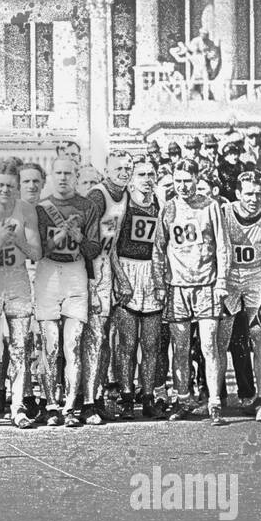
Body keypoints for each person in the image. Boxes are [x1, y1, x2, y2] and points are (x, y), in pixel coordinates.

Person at [33, 157, 104, 427]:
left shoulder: (87, 206)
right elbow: (36, 251)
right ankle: (51, 405)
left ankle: (71, 407)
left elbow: (94, 249)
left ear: (76, 176)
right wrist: (59, 237)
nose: (63, 178)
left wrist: (79, 237)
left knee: (72, 345)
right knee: (49, 345)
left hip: (75, 274)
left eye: (68, 173)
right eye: (58, 173)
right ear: (51, 176)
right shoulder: (40, 208)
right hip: (48, 274)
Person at [158, 158, 230, 425]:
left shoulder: (211, 207)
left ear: (197, 180)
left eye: (188, 181)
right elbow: (159, 249)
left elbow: (223, 246)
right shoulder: (168, 208)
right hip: (177, 287)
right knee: (180, 348)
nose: (183, 186)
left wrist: (221, 281)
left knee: (209, 345)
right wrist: (160, 285)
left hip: (206, 285)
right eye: (178, 181)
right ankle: (183, 399)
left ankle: (214, 403)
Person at [0, 159, 41, 427]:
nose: (5, 190)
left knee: (20, 347)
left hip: (17, 281)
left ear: (17, 188)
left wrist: (19, 241)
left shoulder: (26, 210)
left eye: (11, 186)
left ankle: (17, 405)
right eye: (0, 185)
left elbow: (36, 253)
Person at [218, 171, 261, 423]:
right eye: (248, 194)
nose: (254, 199)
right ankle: (216, 398)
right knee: (219, 340)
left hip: (258, 277)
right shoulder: (224, 214)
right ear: (237, 194)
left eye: (258, 193)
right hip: (230, 277)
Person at [108, 158, 166, 418]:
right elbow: (110, 248)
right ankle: (126, 396)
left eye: (150, 174)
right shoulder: (122, 204)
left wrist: (159, 279)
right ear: (131, 179)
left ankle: (149, 395)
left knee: (152, 344)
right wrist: (121, 280)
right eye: (141, 174)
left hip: (150, 272)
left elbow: (161, 246)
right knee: (127, 344)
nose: (146, 179)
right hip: (126, 269)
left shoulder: (159, 204)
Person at [82, 151, 131, 422]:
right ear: (107, 170)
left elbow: (110, 245)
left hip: (106, 269)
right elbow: (88, 245)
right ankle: (87, 401)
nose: (124, 172)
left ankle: (97, 394)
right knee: (94, 337)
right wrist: (92, 286)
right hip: (90, 273)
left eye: (128, 168)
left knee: (103, 339)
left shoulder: (124, 196)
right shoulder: (97, 196)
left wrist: (120, 277)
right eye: (118, 168)